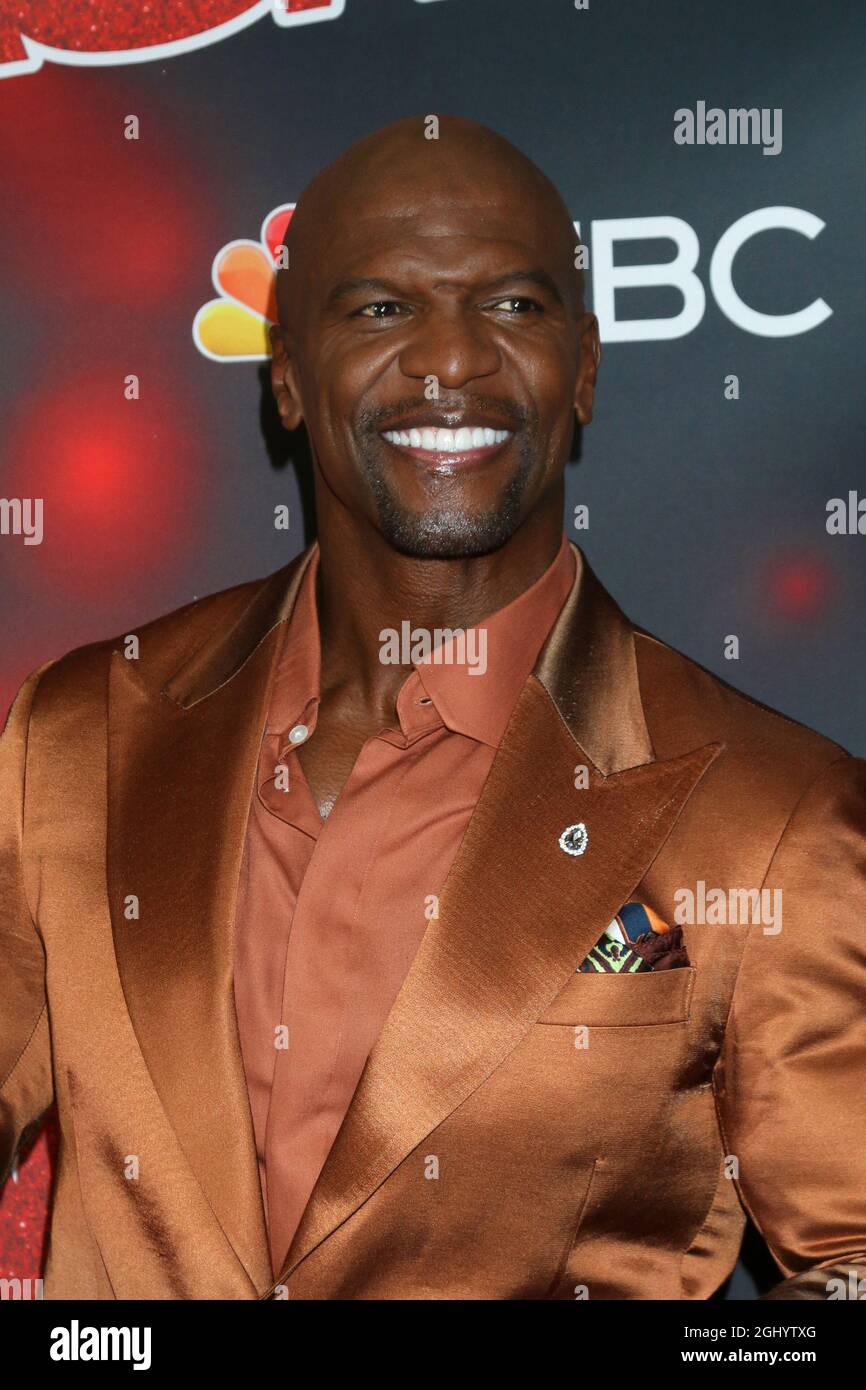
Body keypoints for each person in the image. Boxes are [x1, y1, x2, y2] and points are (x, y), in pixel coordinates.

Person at [1, 115, 864, 1301]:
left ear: (584, 368)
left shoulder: (774, 813)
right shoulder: (80, 733)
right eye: (379, 308)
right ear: (286, 377)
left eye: (510, 305)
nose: (450, 359)